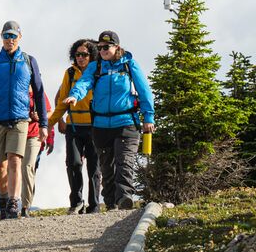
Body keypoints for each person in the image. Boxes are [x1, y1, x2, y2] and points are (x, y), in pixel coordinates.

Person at [62, 31, 155, 210]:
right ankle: (112, 202)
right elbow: (84, 83)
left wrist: (148, 117)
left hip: (126, 122)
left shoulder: (129, 65)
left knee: (124, 162)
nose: (103, 50)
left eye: (106, 47)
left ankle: (125, 198)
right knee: (107, 167)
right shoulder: (95, 67)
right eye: (100, 47)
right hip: (101, 125)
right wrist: (74, 95)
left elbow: (145, 91)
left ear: (117, 47)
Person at [0, 20, 48, 219]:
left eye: (13, 36)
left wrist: (43, 123)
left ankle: (13, 204)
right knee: (0, 165)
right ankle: (3, 200)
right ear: (1, 37)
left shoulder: (28, 61)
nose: (10, 39)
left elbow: (40, 93)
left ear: (20, 37)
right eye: (6, 36)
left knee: (15, 160)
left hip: (20, 120)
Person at [48, 39, 102, 215]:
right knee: (73, 164)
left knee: (94, 167)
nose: (80, 58)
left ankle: (94, 205)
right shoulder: (70, 73)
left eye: (84, 54)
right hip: (74, 126)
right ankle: (76, 202)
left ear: (92, 55)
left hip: (94, 126)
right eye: (78, 54)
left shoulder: (99, 73)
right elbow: (62, 101)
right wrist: (49, 124)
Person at [20, 90, 56, 217]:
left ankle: (25, 206)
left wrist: (50, 136)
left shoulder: (37, 90)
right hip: (16, 133)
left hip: (35, 135)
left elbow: (50, 113)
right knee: (18, 169)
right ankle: (13, 205)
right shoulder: (12, 86)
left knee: (28, 167)